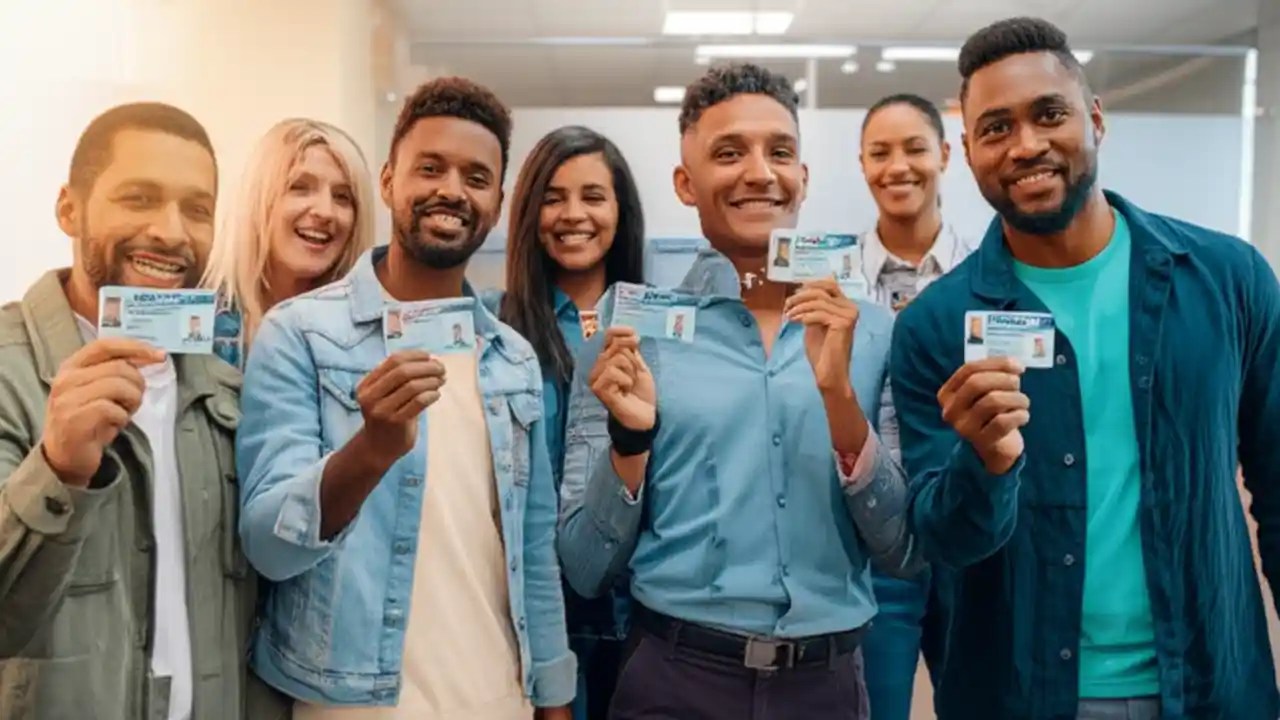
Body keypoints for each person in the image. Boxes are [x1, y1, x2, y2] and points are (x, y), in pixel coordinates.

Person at [890, 17, 1280, 720]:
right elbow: (940, 541)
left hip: (1209, 686)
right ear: (969, 154)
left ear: (1095, 119)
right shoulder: (935, 327)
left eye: (1049, 114)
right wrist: (986, 463)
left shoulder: (1226, 282)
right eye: (996, 128)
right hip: (1020, 694)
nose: (1027, 145)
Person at [557, 63, 921, 720]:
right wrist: (630, 442)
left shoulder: (871, 332)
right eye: (729, 153)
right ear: (685, 183)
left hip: (829, 687)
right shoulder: (631, 330)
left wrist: (841, 405)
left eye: (779, 151)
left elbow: (902, 550)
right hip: (673, 683)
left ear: (803, 177)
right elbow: (585, 566)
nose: (759, 172)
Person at [236, 77, 575, 720]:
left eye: (476, 177)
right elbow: (267, 546)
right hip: (350, 701)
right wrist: (371, 451)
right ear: (389, 183)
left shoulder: (511, 358)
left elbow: (532, 554)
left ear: (497, 204)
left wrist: (553, 701)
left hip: (496, 695)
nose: (452, 189)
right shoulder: (303, 333)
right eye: (431, 168)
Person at [0, 102, 288, 719]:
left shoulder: (230, 392)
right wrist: (57, 469)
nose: (171, 232)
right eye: (139, 198)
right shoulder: (8, 373)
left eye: (197, 209)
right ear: (69, 209)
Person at [485, 124, 646, 720]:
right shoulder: (492, 331)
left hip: (642, 617)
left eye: (593, 196)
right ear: (527, 211)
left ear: (620, 211)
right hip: (523, 614)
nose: (572, 214)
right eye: (553, 197)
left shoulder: (660, 327)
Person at [854, 92, 978, 720]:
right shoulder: (833, 280)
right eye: (880, 152)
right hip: (870, 549)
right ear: (862, 164)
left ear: (946, 156)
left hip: (970, 541)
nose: (897, 166)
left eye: (914, 148)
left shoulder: (989, 276)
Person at [203, 118, 375, 369]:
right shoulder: (197, 321)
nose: (325, 211)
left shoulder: (372, 337)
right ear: (259, 200)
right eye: (300, 188)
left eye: (342, 197)